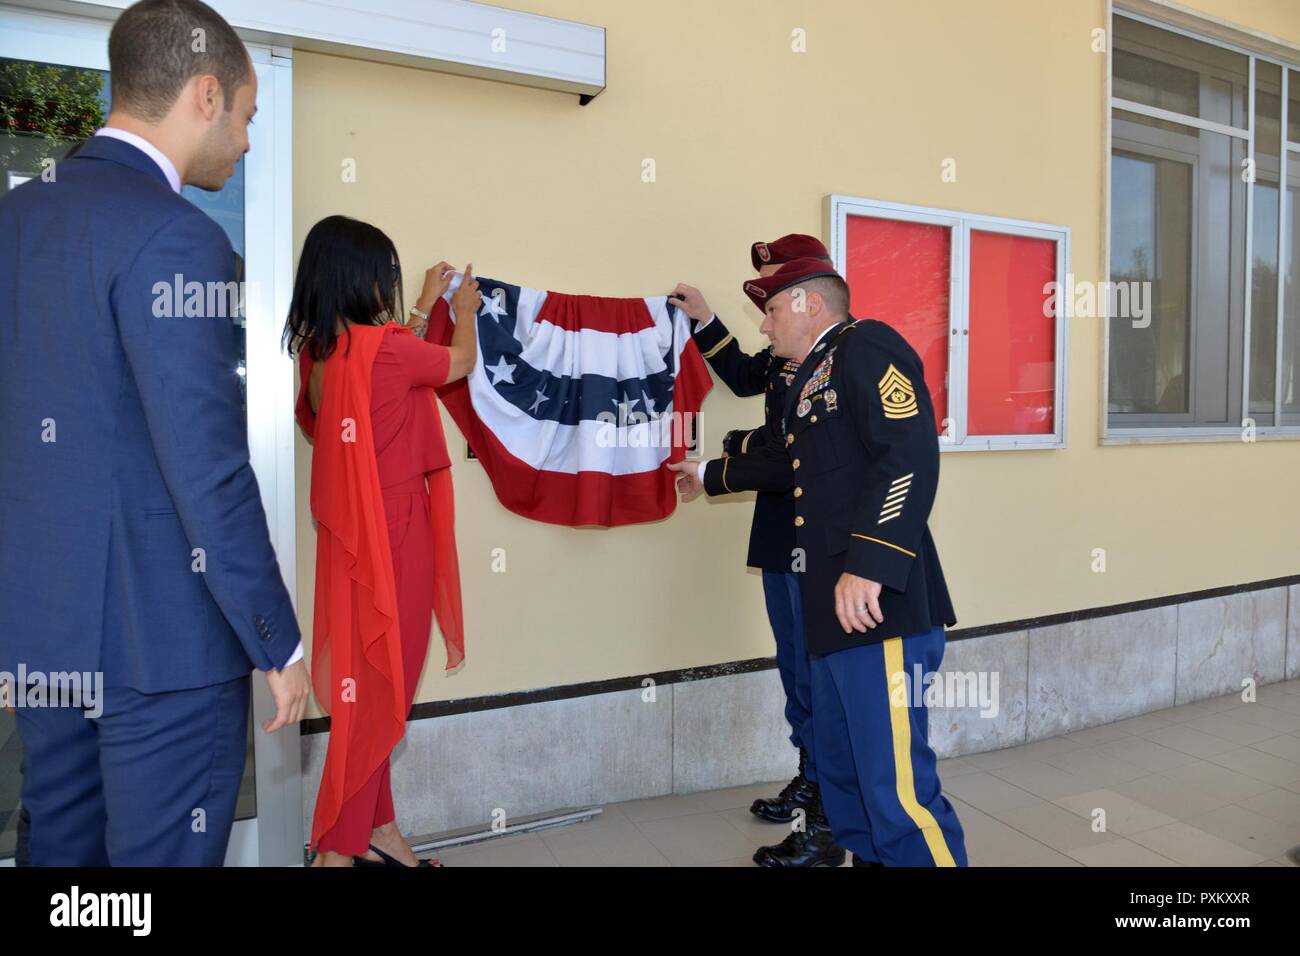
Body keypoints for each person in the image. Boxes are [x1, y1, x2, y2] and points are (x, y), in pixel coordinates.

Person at [0, 0, 309, 866]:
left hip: (46, 639)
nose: (248, 141)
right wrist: (276, 640)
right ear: (205, 96)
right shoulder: (179, 240)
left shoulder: (16, 225)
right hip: (161, 648)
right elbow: (207, 470)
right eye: (249, 115)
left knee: (65, 862)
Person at [669, 258, 968, 867]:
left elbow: (908, 453)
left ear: (808, 303)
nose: (766, 327)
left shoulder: (869, 347)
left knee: (896, 793)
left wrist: (872, 563)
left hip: (877, 606)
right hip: (833, 610)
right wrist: (711, 474)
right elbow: (791, 466)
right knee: (848, 781)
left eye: (772, 311)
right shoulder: (809, 380)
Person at [286, 215, 479, 867]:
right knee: (384, 696)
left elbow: (346, 408)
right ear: (363, 277)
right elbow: (457, 363)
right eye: (388, 274)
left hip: (350, 543)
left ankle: (380, 829)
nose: (392, 286)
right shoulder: (387, 348)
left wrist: (423, 305)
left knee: (364, 688)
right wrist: (466, 309)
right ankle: (336, 851)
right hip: (396, 531)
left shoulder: (320, 352)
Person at [669, 234, 845, 867]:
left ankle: (827, 805)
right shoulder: (785, 353)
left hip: (815, 536)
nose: (765, 303)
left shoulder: (832, 360)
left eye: (773, 286)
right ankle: (811, 774)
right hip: (778, 528)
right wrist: (705, 320)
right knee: (795, 665)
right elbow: (745, 375)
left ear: (807, 288)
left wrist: (734, 454)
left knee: (820, 671)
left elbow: (795, 449)